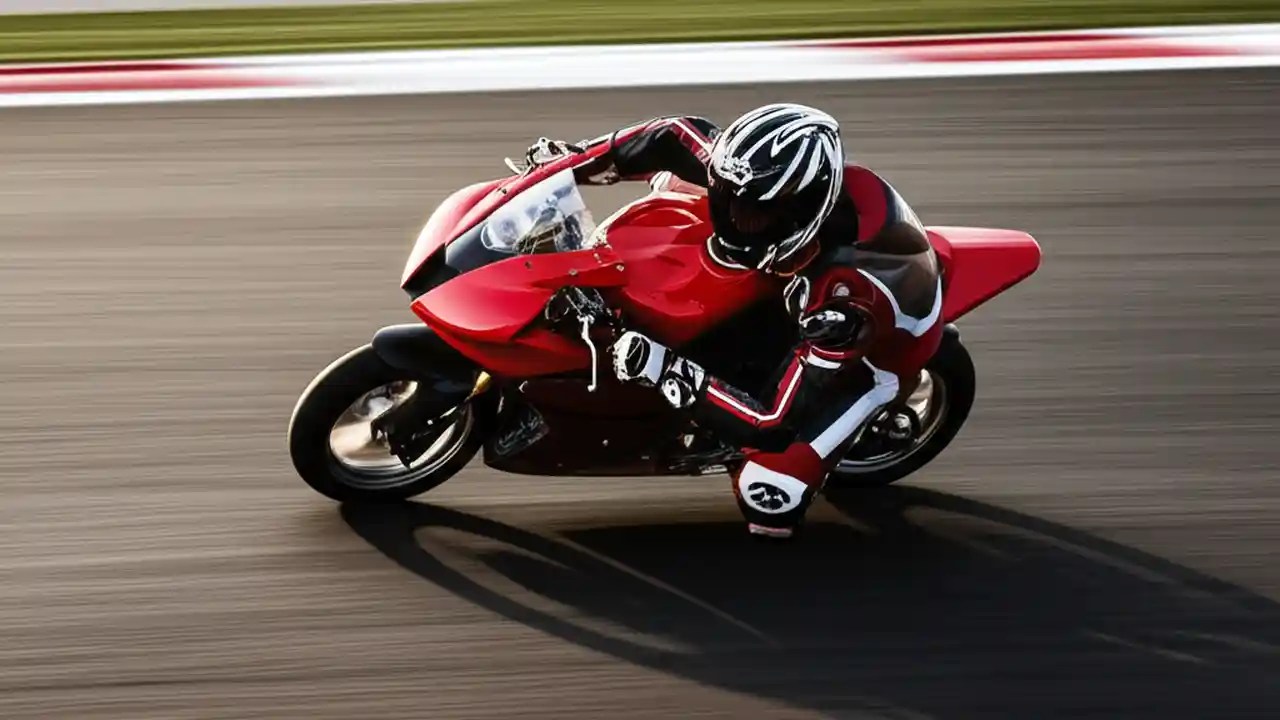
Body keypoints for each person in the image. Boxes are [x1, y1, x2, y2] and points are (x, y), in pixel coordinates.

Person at [569, 104, 943, 539]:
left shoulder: (842, 299)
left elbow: (772, 423)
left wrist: (666, 368)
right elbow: (671, 134)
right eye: (726, 198)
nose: (731, 216)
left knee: (769, 496)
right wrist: (572, 163)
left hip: (875, 353)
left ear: (799, 214)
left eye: (752, 213)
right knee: (673, 189)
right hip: (796, 281)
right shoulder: (754, 173)